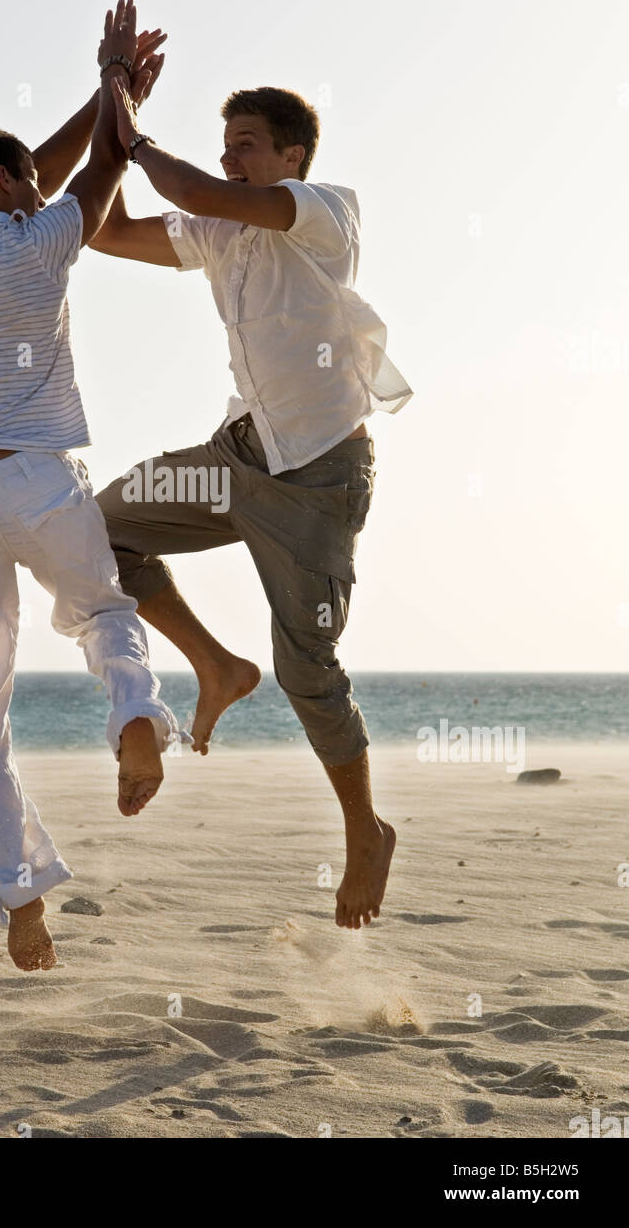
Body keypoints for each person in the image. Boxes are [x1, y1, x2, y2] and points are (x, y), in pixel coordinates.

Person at [89, 78, 413, 930]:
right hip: (234, 458)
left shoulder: (319, 210)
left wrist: (134, 135)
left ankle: (364, 835)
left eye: (246, 143)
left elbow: (194, 187)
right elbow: (107, 230)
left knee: (308, 667)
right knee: (98, 532)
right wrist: (107, 113)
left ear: (290, 156)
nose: (231, 154)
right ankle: (216, 667)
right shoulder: (217, 230)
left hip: (315, 476)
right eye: (225, 140)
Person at [0, 0, 177, 971]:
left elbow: (52, 169)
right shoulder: (42, 242)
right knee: (101, 608)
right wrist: (114, 86)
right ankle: (133, 713)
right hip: (34, 480)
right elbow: (97, 171)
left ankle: (21, 894)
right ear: (5, 185)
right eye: (25, 176)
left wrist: (105, 92)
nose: (38, 183)